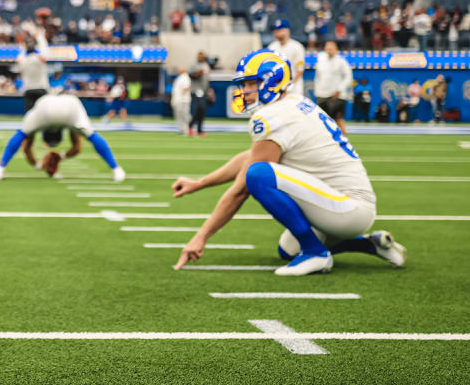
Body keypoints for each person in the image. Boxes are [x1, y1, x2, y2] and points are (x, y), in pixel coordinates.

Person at [170, 49, 406, 276]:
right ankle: (370, 244)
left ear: (270, 82)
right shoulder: (294, 102)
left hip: (347, 209)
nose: (245, 90)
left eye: (251, 83)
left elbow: (244, 186)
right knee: (289, 250)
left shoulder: (270, 116)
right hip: (345, 205)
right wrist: (198, 184)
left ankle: (316, 253)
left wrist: (201, 236)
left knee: (258, 176)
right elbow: (249, 158)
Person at [0, 90, 126, 182]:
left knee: (21, 133)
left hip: (45, 106)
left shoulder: (38, 120)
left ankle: (0, 167)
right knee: (92, 136)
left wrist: (38, 165)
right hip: (71, 106)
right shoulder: (71, 124)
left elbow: (25, 146)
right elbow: (77, 148)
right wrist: (61, 157)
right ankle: (116, 169)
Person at [311, 40, 352, 134]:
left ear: (336, 50)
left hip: (337, 95)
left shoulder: (341, 61)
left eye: (331, 49)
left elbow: (348, 77)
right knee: (322, 119)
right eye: (327, 48)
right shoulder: (321, 61)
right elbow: (317, 77)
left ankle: (344, 139)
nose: (329, 51)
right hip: (322, 94)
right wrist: (317, 91)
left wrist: (340, 89)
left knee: (338, 118)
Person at [267, 19, 307, 98]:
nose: (276, 32)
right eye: (275, 30)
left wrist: (287, 85)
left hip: (294, 89)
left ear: (287, 31)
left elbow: (300, 70)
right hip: (277, 88)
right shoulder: (272, 47)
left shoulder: (297, 47)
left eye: (279, 30)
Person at [15, 32, 50, 111]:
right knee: (42, 114)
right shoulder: (40, 59)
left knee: (29, 115)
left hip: (29, 89)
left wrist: (23, 47)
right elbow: (45, 49)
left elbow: (19, 58)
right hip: (41, 88)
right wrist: (40, 37)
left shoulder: (24, 60)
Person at [189, 52, 212, 137]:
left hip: (204, 91)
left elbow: (207, 79)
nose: (201, 58)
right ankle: (191, 126)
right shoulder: (193, 65)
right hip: (196, 90)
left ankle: (198, 130)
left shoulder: (206, 65)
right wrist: (198, 73)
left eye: (202, 57)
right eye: (199, 56)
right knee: (199, 108)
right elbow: (190, 76)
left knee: (202, 111)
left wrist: (209, 90)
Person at [170, 68, 192, 136]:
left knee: (185, 115)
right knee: (179, 116)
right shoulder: (179, 78)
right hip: (177, 100)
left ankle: (189, 130)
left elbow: (186, 88)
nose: (178, 71)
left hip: (183, 100)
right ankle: (182, 130)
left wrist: (181, 97)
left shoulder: (185, 77)